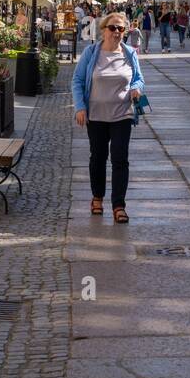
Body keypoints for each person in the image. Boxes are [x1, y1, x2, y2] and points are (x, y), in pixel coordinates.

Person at [72, 11, 145, 223]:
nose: (116, 32)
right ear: (103, 30)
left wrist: (136, 88)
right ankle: (97, 197)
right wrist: (80, 107)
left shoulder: (130, 53)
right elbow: (77, 80)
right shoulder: (91, 53)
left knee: (120, 159)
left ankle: (119, 205)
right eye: (112, 28)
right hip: (96, 115)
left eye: (121, 29)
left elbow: (139, 78)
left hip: (122, 114)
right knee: (98, 157)